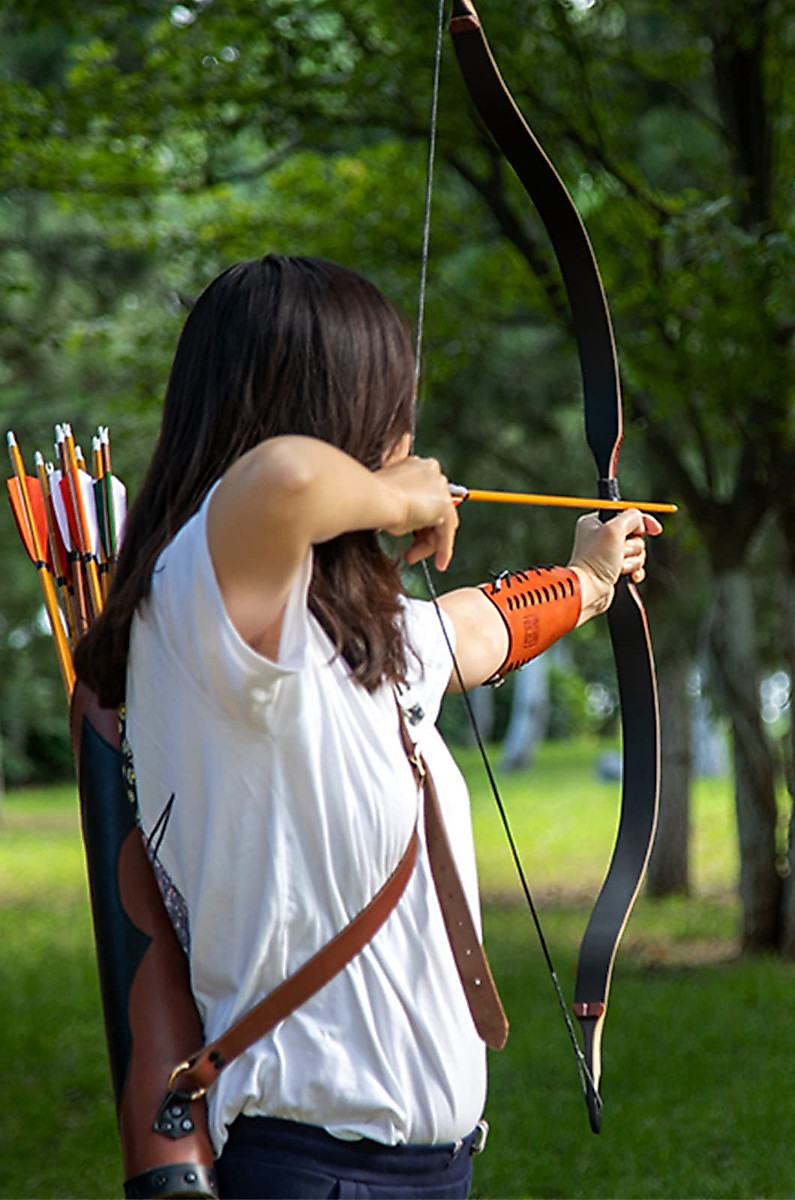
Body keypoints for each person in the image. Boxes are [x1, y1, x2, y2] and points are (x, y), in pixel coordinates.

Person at [73, 254, 660, 1199]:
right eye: (390, 407)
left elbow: (468, 632)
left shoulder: (316, 634)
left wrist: (589, 580)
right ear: (329, 411)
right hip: (315, 1168)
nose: (408, 438)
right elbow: (282, 481)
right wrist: (399, 498)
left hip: (418, 1170)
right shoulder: (202, 607)